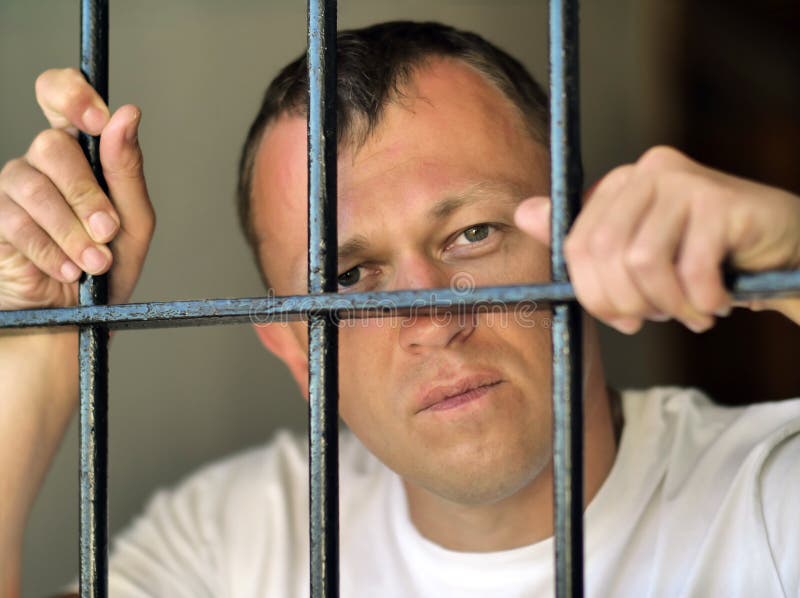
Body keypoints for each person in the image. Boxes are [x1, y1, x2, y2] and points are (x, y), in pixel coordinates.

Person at [1, 21, 799, 597]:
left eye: (473, 234)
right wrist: (40, 348)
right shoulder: (235, 542)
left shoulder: (764, 497)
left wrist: (794, 259)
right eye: (346, 277)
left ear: (585, 235)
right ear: (291, 350)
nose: (430, 321)